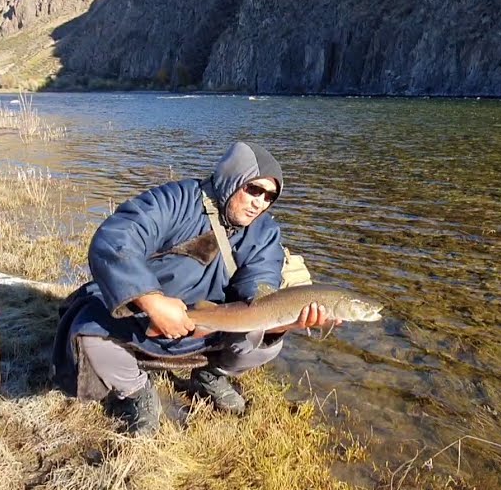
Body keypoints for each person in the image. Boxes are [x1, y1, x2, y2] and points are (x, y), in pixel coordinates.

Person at [51, 141, 337, 436]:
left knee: (267, 344)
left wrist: (280, 324)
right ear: (233, 178)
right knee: (87, 334)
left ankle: (211, 375)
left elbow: (260, 289)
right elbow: (116, 237)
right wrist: (152, 301)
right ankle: (137, 393)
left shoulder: (265, 233)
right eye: (254, 189)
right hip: (142, 317)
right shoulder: (175, 200)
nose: (260, 202)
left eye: (270, 196)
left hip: (209, 326)